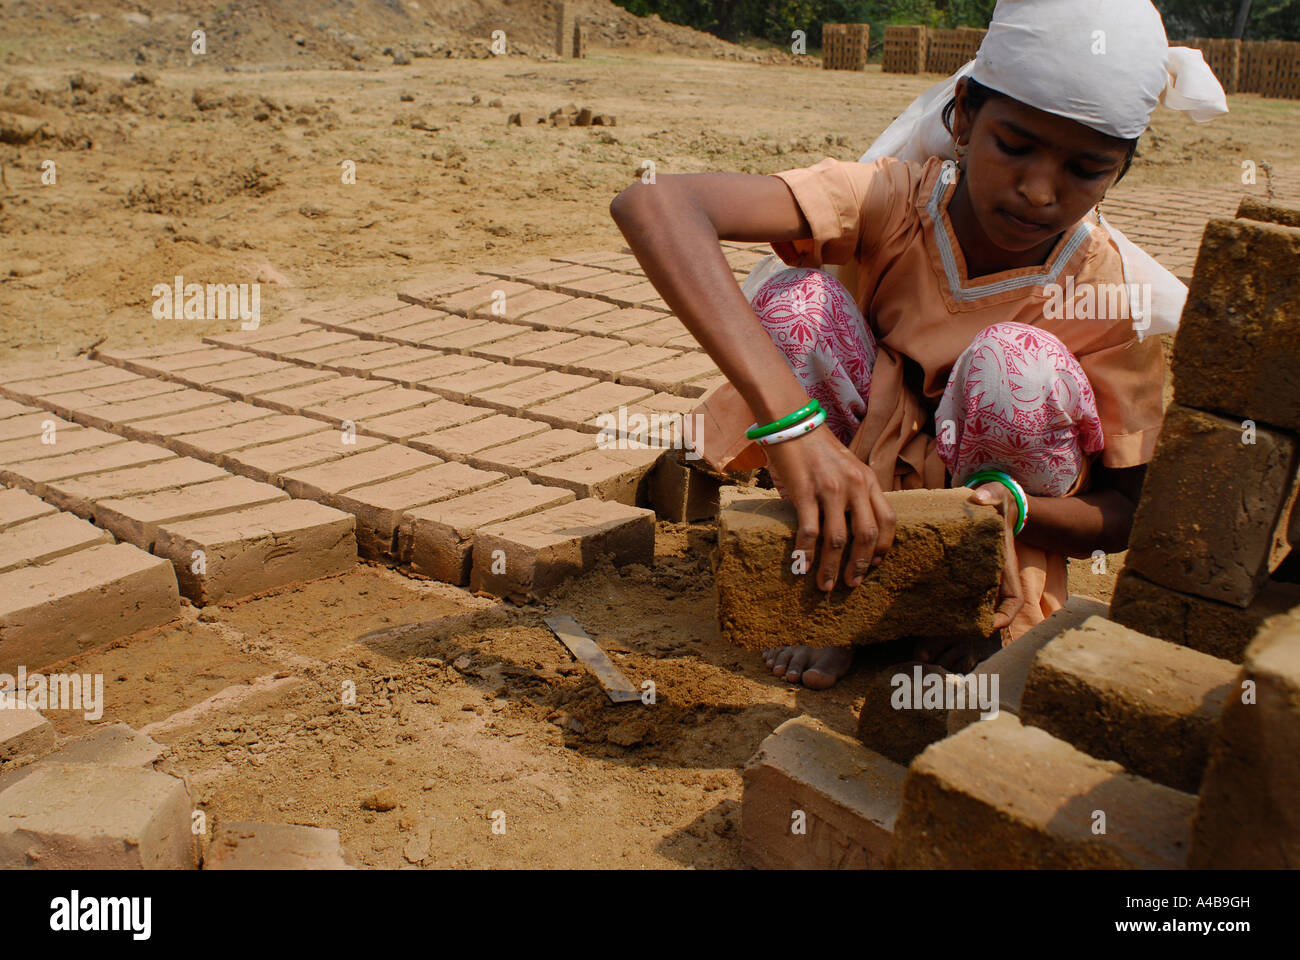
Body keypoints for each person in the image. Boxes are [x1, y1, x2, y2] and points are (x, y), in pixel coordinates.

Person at [609, 0, 1227, 687]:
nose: (1038, 190)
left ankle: (965, 607)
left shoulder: (1106, 294)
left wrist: (1015, 510)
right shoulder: (890, 201)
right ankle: (837, 590)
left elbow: (1124, 512)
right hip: (849, 477)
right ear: (963, 116)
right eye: (1015, 146)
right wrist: (796, 430)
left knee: (1012, 364)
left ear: (1118, 172)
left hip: (988, 515)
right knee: (796, 303)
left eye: (1085, 169)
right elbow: (653, 203)